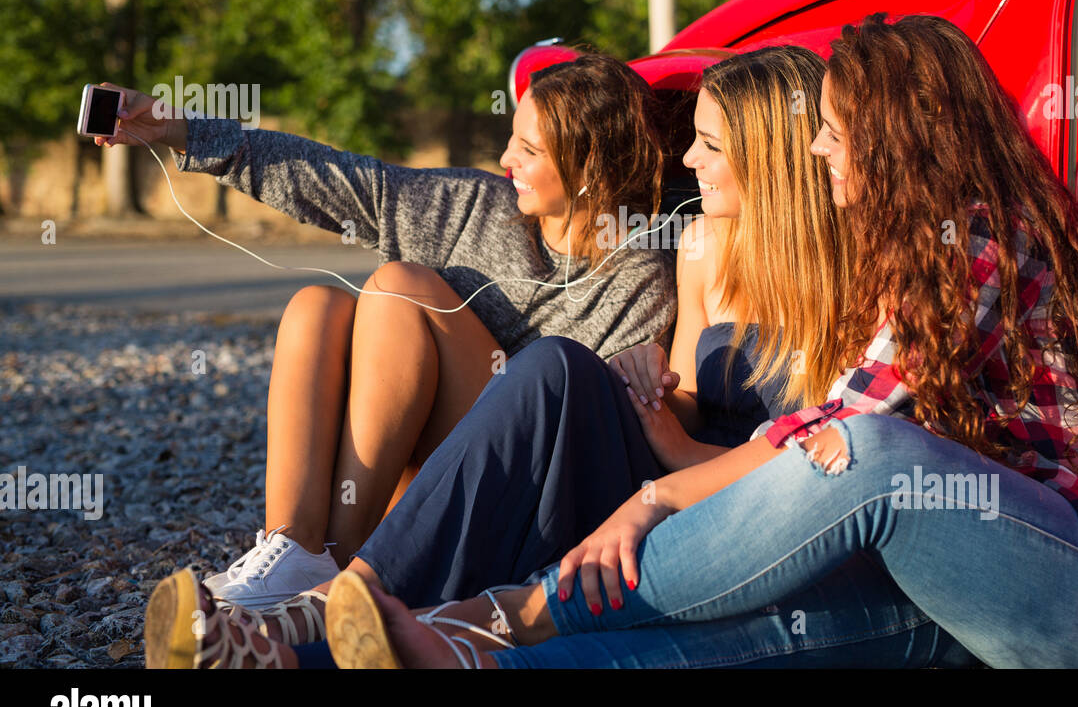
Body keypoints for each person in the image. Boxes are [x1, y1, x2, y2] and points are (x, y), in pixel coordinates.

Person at [316, 13, 1078, 669]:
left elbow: (842, 432)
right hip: (971, 568)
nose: (821, 150)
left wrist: (652, 498)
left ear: (895, 138)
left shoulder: (981, 244)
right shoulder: (927, 246)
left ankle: (506, 614)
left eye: (834, 133)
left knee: (867, 455)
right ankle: (414, 650)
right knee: (747, 633)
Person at [141, 44, 855, 668]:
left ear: (768, 159)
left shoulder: (827, 272)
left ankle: (320, 610)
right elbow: (340, 180)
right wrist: (655, 395)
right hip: (606, 465)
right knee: (363, 312)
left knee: (549, 360)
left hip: (726, 501)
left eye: (709, 146)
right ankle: (307, 568)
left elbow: (813, 455)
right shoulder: (703, 246)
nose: (688, 159)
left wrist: (662, 446)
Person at [96, 54, 677, 609]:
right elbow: (338, 181)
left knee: (400, 287)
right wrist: (176, 128)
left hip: (494, 491)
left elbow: (585, 433)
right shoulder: (477, 204)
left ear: (589, 169)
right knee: (316, 306)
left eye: (528, 150)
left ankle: (343, 571)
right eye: (511, 139)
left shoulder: (639, 280)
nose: (506, 159)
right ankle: (292, 545)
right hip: (403, 471)